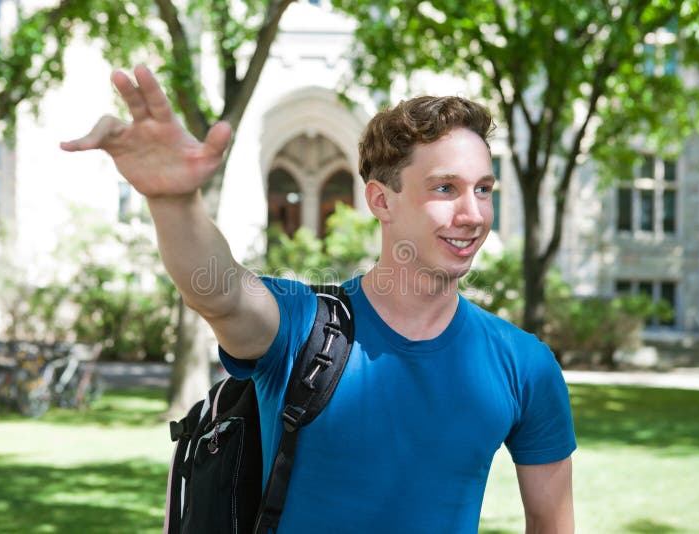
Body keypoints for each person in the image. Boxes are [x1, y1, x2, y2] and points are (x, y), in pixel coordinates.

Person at [62, 65, 576, 533]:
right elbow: (218, 290)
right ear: (380, 199)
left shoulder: (524, 365)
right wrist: (172, 201)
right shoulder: (303, 326)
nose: (474, 214)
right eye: (445, 188)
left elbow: (553, 525)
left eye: (483, 189)